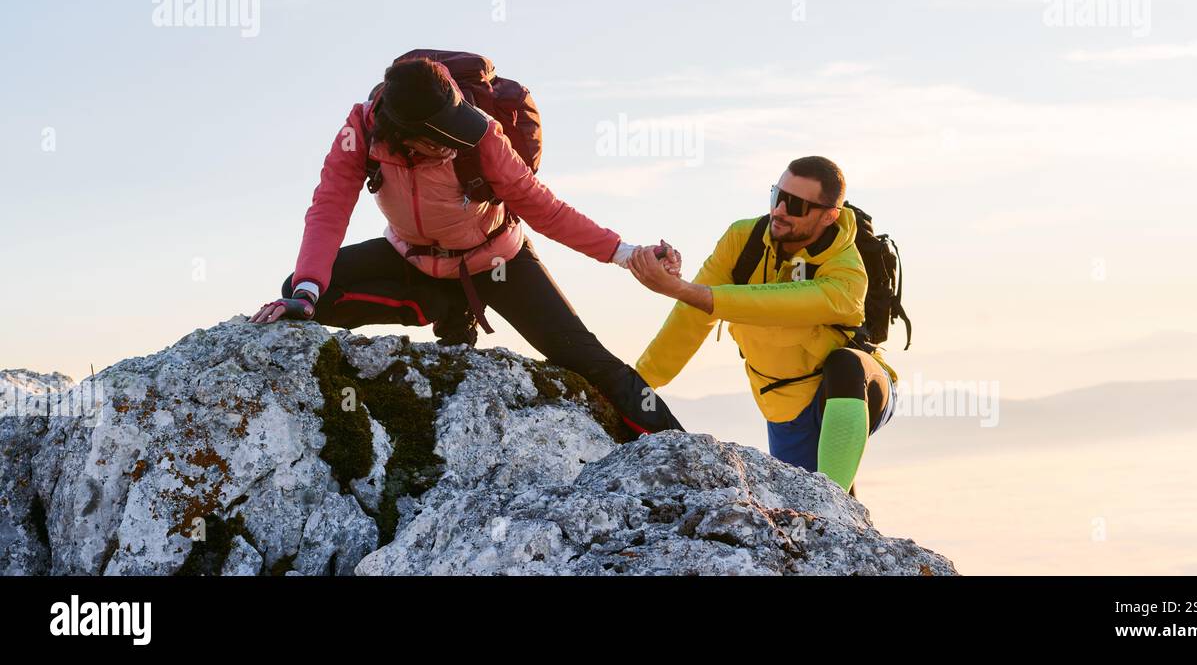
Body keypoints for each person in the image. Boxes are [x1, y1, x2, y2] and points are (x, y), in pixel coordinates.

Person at [250, 53, 683, 435]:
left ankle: (676, 446)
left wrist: (628, 254)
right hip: (415, 259)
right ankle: (441, 306)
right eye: (439, 137)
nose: (452, 142)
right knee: (302, 294)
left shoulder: (481, 133)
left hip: (499, 261)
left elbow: (544, 209)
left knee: (584, 357)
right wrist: (308, 288)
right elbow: (329, 207)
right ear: (403, 135)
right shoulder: (361, 132)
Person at [627, 156, 897, 492]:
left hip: (856, 390)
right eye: (777, 196)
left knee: (845, 367)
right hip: (784, 405)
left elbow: (774, 305)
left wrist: (680, 288)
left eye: (796, 204)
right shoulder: (743, 240)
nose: (780, 210)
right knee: (808, 501)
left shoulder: (846, 274)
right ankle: (845, 518)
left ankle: (836, 510)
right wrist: (638, 385)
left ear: (830, 216)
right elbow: (691, 319)